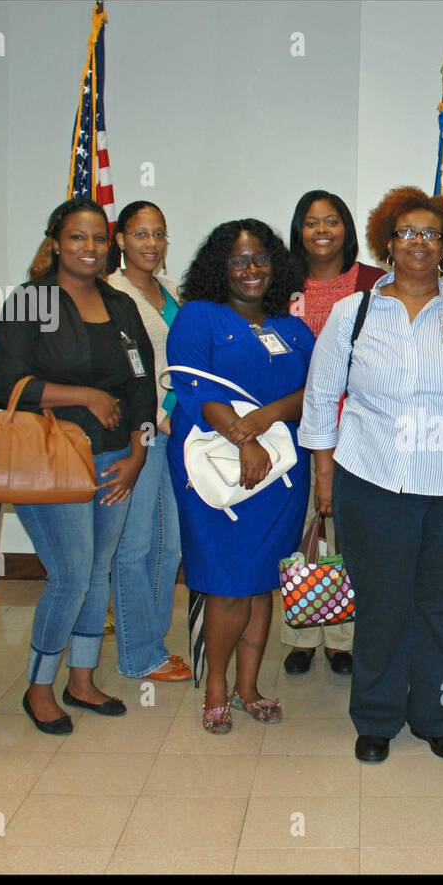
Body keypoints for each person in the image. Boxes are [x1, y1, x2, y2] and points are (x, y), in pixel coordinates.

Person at [300, 186, 443, 764]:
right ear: (387, 243)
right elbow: (322, 399)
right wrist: (325, 476)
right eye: (406, 233)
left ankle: (438, 715)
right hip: (371, 483)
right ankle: (375, 718)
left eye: (431, 234)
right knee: (382, 605)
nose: (418, 243)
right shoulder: (355, 313)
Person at [0, 198, 155, 735]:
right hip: (52, 459)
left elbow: (140, 385)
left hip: (115, 458)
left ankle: (81, 680)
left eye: (97, 238)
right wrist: (83, 394)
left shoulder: (120, 303)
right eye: (77, 238)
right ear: (56, 242)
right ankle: (38, 688)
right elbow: (9, 384)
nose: (89, 248)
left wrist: (138, 450)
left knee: (98, 571)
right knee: (70, 574)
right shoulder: (30, 301)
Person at [167, 219, 313, 734]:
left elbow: (313, 391)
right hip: (214, 465)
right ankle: (216, 688)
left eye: (260, 259)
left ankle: (249, 688)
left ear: (276, 265)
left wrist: (269, 418)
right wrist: (244, 439)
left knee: (259, 583)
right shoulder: (198, 318)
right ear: (219, 268)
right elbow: (192, 388)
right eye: (238, 260)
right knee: (227, 584)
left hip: (283, 472)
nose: (251, 270)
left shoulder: (292, 328)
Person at [280, 190, 385, 677]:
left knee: (347, 531)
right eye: (311, 222)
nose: (322, 230)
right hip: (289, 427)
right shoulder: (281, 283)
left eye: (332, 221)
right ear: (299, 230)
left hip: (357, 427)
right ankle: (300, 632)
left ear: (347, 228)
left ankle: (342, 634)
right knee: (298, 526)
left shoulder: (372, 282)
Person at [105, 200, 192, 683]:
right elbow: (117, 372)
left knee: (170, 546)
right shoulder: (111, 294)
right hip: (143, 433)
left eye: (159, 234)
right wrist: (155, 419)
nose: (152, 244)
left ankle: (151, 642)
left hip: (177, 434)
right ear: (120, 239)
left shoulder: (169, 289)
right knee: (136, 546)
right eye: (140, 234)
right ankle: (139, 654)